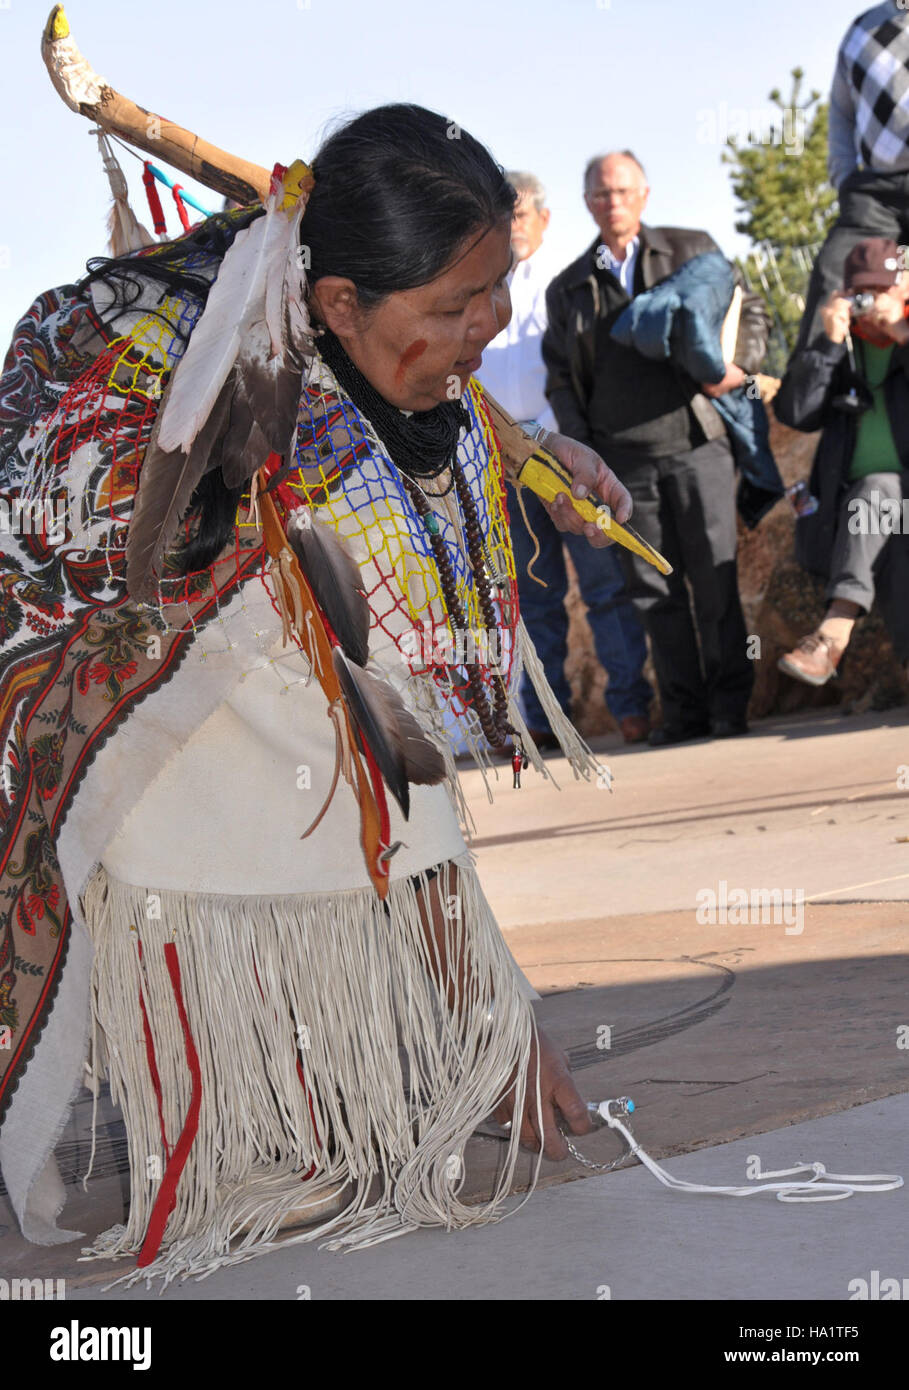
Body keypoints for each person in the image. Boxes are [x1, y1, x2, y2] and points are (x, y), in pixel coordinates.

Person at [0, 104, 634, 1284]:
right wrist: (492, 1005)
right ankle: (240, 1120)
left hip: (228, 543)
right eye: (454, 308)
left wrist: (536, 450)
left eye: (500, 286)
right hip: (109, 593)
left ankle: (321, 1089)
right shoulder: (188, 390)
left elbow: (442, 407)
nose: (487, 324)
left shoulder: (347, 326)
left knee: (325, 722)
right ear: (339, 305)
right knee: (240, 746)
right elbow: (365, 722)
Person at [543, 151, 771, 746]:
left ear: (644, 193)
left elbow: (752, 307)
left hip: (698, 444)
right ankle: (685, 712)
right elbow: (562, 380)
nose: (611, 202)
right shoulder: (569, 287)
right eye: (599, 193)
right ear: (587, 202)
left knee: (714, 582)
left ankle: (728, 709)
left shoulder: (692, 248)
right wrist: (582, 457)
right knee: (654, 589)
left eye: (622, 190)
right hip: (624, 463)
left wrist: (740, 365)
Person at [477, 172, 652, 747]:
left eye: (521, 216)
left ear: (546, 219)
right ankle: (547, 717)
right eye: (503, 219)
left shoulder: (568, 282)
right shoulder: (477, 283)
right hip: (506, 462)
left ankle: (631, 707)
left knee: (604, 584)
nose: (513, 229)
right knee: (534, 595)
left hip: (568, 458)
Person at [775, 238, 909, 683]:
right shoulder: (839, 345)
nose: (869, 304)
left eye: (880, 291)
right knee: (878, 503)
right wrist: (829, 344)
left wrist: (903, 334)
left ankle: (834, 631)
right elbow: (796, 413)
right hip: (859, 514)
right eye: (859, 293)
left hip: (883, 504)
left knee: (881, 492)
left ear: (902, 289)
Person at [796, 2, 909, 353]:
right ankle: (808, 397)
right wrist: (845, 181)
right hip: (873, 193)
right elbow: (841, 116)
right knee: (833, 272)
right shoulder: (860, 32)